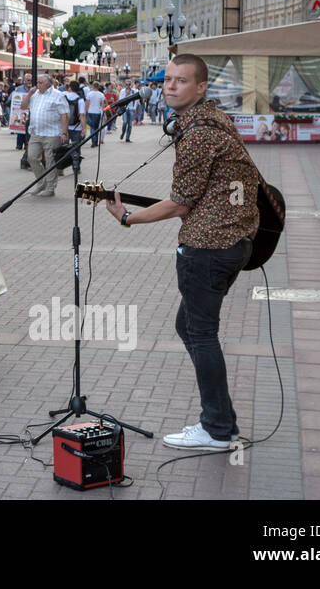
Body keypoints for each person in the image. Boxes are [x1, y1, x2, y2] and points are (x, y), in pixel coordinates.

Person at [104, 54, 261, 451]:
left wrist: (128, 219)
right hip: (232, 243)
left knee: (202, 334)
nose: (170, 86)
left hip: (208, 248)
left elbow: (180, 203)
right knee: (189, 327)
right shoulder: (213, 121)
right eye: (167, 80)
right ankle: (221, 420)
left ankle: (217, 429)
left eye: (181, 81)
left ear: (202, 87)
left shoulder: (197, 135)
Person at [18, 74, 69, 197]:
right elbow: (23, 106)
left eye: (40, 82)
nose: (37, 85)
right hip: (36, 132)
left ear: (48, 84)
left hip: (52, 133)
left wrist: (64, 132)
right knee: (32, 157)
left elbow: (64, 115)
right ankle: (41, 182)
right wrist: (29, 94)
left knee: (50, 160)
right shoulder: (35, 94)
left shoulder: (58, 95)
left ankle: (50, 187)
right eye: (37, 82)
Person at [62, 79, 86, 177]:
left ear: (70, 87)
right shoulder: (80, 100)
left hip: (65, 127)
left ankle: (60, 168)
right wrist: (84, 128)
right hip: (76, 127)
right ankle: (76, 168)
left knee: (64, 148)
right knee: (76, 148)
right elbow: (82, 115)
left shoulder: (63, 96)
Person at [84, 78, 106, 147]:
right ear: (99, 87)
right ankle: (95, 141)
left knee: (92, 127)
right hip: (98, 112)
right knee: (96, 127)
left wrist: (85, 111)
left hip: (90, 111)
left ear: (93, 86)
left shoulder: (89, 94)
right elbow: (102, 105)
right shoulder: (101, 95)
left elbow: (87, 104)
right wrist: (104, 114)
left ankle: (94, 141)